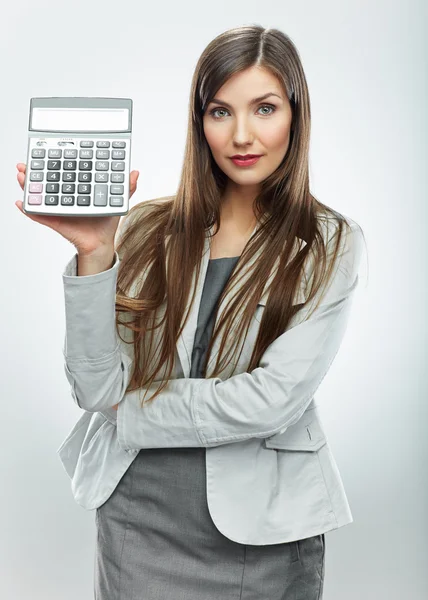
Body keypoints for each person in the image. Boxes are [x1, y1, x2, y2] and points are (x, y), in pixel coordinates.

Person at [16, 24, 366, 600]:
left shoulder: (330, 242)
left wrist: (130, 415)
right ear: (199, 122)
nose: (243, 134)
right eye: (220, 111)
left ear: (296, 116)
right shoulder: (148, 227)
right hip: (138, 517)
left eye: (265, 108)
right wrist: (96, 252)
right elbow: (96, 386)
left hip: (264, 529)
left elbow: (271, 402)